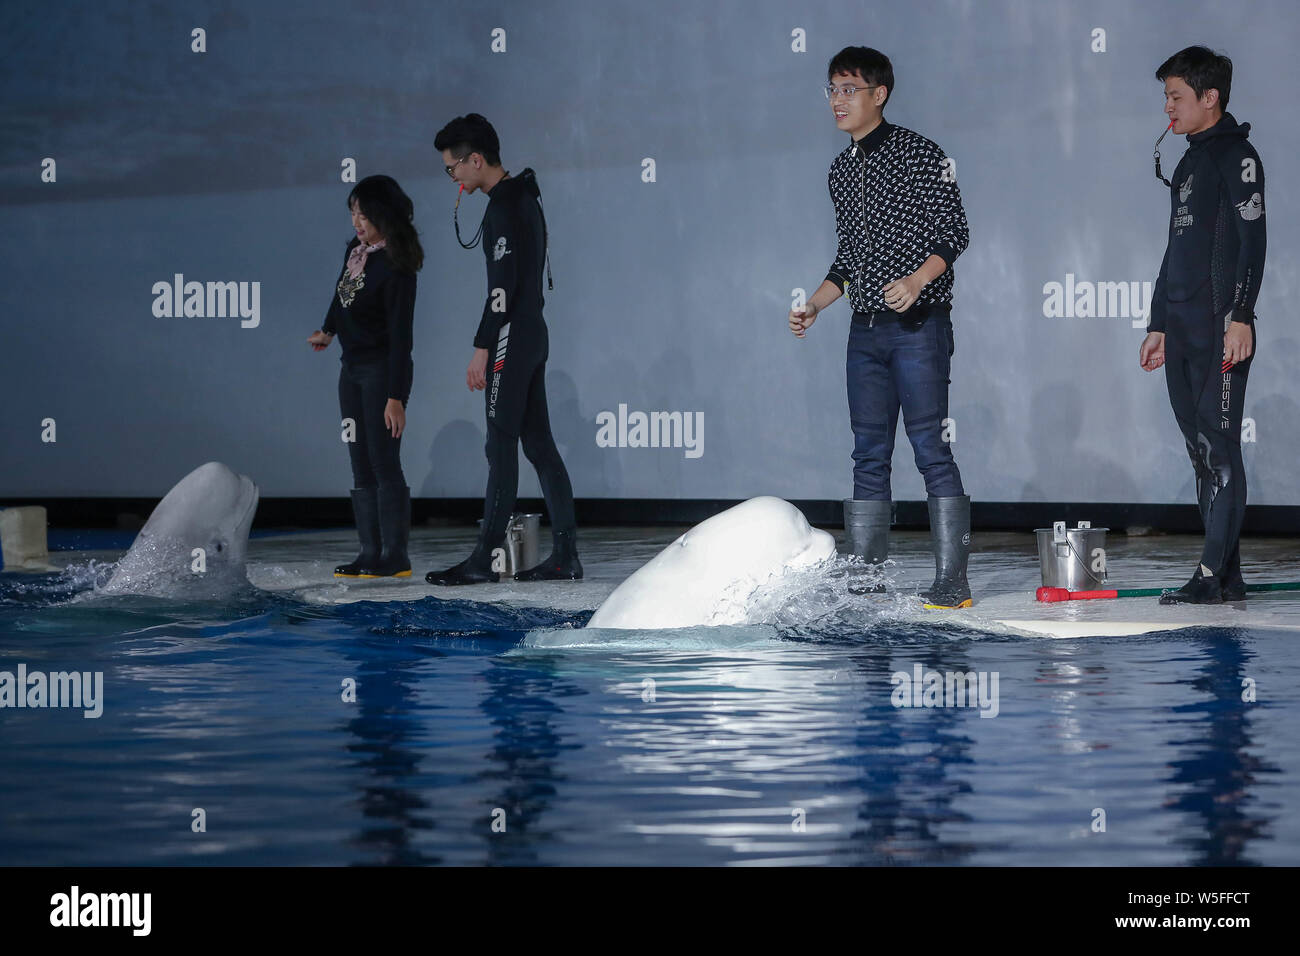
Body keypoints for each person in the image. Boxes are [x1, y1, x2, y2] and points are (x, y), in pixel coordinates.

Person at [788, 46, 972, 608]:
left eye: (849, 89)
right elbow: (846, 260)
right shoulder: (841, 170)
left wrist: (916, 281)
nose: (838, 101)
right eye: (832, 90)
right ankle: (866, 579)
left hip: (918, 326)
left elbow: (954, 233)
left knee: (930, 452)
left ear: (879, 94)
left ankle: (952, 581)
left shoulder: (920, 153)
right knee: (868, 454)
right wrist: (816, 304)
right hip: (863, 331)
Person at [426, 113, 581, 585]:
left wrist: (481, 347)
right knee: (539, 446)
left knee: (501, 447)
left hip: (513, 334)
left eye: (452, 168)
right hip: (533, 331)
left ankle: (482, 562)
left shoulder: (504, 205)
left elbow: (503, 289)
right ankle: (565, 557)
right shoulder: (524, 195)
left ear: (476, 160)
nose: (451, 176)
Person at [1140, 46, 1265, 605]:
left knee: (1219, 448)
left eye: (1176, 96)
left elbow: (1252, 241)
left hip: (1220, 325)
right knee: (1200, 450)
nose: (1168, 106)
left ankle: (1211, 574)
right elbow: (1175, 250)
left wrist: (1242, 315)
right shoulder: (1188, 161)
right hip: (1184, 326)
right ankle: (1228, 575)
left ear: (1209, 98)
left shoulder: (1238, 156)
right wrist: (1158, 323)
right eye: (1166, 96)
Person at [308, 175, 422, 578]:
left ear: (383, 214)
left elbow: (401, 339)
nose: (357, 221)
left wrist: (396, 396)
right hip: (350, 370)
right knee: (359, 458)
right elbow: (340, 298)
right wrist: (328, 330)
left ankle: (396, 555)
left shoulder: (397, 265)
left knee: (383, 459)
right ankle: (368, 551)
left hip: (381, 374)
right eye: (353, 213)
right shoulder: (355, 254)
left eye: (364, 213)